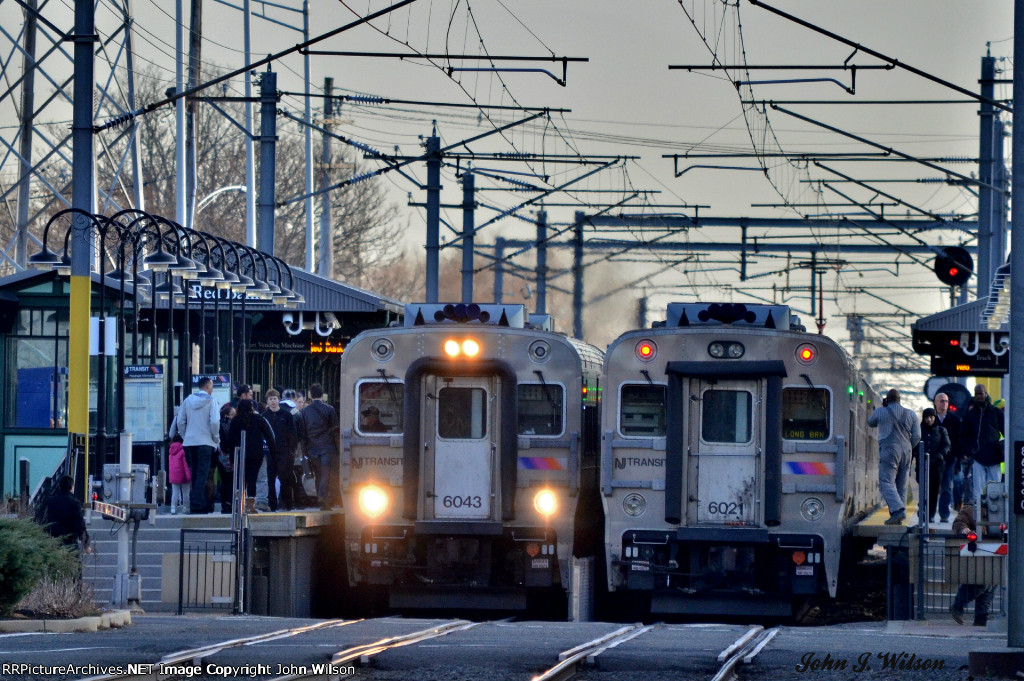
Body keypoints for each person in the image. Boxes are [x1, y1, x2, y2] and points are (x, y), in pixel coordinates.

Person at [867, 388, 921, 525]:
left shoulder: (880, 412)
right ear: (899, 399)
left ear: (887, 399)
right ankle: (899, 517)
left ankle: (897, 511)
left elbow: (870, 422)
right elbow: (917, 436)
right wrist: (909, 447)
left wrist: (883, 406)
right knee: (902, 486)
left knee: (886, 482)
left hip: (890, 450)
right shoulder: (911, 414)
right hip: (907, 452)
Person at [168, 377, 220, 514]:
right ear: (208, 387)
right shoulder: (211, 401)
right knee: (203, 473)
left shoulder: (187, 400)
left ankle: (194, 502)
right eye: (212, 386)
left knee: (194, 472)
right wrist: (215, 438)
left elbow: (180, 421)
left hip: (190, 442)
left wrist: (186, 436)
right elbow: (214, 422)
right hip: (205, 442)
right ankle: (198, 504)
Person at [223, 398, 277, 514]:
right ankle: (251, 505)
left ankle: (239, 504)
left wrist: (232, 459)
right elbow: (269, 437)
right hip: (256, 453)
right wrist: (273, 453)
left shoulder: (236, 421)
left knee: (241, 480)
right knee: (253, 479)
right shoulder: (259, 419)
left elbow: (230, 441)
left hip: (240, 453)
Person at [949, 504, 994, 626]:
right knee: (981, 583)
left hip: (994, 550)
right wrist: (965, 530)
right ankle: (959, 607)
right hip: (979, 552)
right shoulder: (974, 509)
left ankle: (980, 617)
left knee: (990, 584)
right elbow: (958, 522)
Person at [963, 384, 1004, 514]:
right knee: (978, 490)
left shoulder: (996, 412)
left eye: (981, 393)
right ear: (974, 396)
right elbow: (963, 434)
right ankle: (978, 516)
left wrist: (1003, 448)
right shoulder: (971, 414)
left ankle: (996, 516)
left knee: (996, 488)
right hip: (978, 457)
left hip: (994, 456)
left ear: (986, 394)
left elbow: (1006, 432)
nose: (979, 396)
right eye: (977, 394)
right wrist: (969, 450)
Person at [301, 383, 340, 510]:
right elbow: (335, 430)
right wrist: (338, 448)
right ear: (322, 395)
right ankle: (323, 498)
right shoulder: (329, 410)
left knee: (318, 474)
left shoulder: (305, 411)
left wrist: (304, 451)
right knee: (326, 474)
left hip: (312, 447)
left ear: (310, 395)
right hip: (328, 446)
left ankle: (320, 497)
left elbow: (303, 433)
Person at [263, 389, 301, 511]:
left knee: (285, 477)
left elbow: (293, 433)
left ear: (279, 400)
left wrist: (291, 450)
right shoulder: (264, 416)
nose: (273, 402)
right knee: (270, 478)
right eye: (270, 399)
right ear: (267, 401)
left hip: (285, 451)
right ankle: (272, 504)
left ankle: (288, 502)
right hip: (269, 451)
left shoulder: (286, 415)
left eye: (274, 399)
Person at [933, 392, 964, 522]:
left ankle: (944, 514)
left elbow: (958, 442)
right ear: (935, 402)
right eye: (941, 401)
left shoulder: (955, 420)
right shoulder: (930, 419)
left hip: (949, 459)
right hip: (933, 460)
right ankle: (929, 513)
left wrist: (958, 461)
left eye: (946, 401)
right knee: (933, 488)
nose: (944, 403)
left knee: (946, 487)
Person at [40, 475, 87, 554]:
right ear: (71, 487)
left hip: (53, 543)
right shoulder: (75, 503)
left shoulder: (50, 502)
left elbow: (43, 520)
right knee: (72, 565)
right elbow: (80, 525)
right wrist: (86, 543)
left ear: (59, 486)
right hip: (70, 544)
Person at [919, 407, 950, 523]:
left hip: (936, 466)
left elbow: (946, 445)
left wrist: (941, 454)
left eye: (931, 417)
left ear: (934, 418)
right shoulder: (920, 430)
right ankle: (922, 510)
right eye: (926, 417)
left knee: (933, 490)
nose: (928, 420)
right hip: (922, 465)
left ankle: (930, 514)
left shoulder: (941, 430)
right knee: (922, 489)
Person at [215, 403, 236, 514]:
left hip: (221, 455)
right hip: (228, 455)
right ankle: (229, 503)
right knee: (230, 481)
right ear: (227, 415)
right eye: (233, 414)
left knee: (224, 481)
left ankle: (224, 504)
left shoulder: (219, 424)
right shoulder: (229, 424)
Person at [167, 438, 191, 515]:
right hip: (183, 475)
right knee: (185, 492)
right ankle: (186, 508)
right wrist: (189, 477)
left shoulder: (170, 452)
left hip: (173, 475)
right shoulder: (183, 451)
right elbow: (185, 465)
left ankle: (173, 508)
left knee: (175, 492)